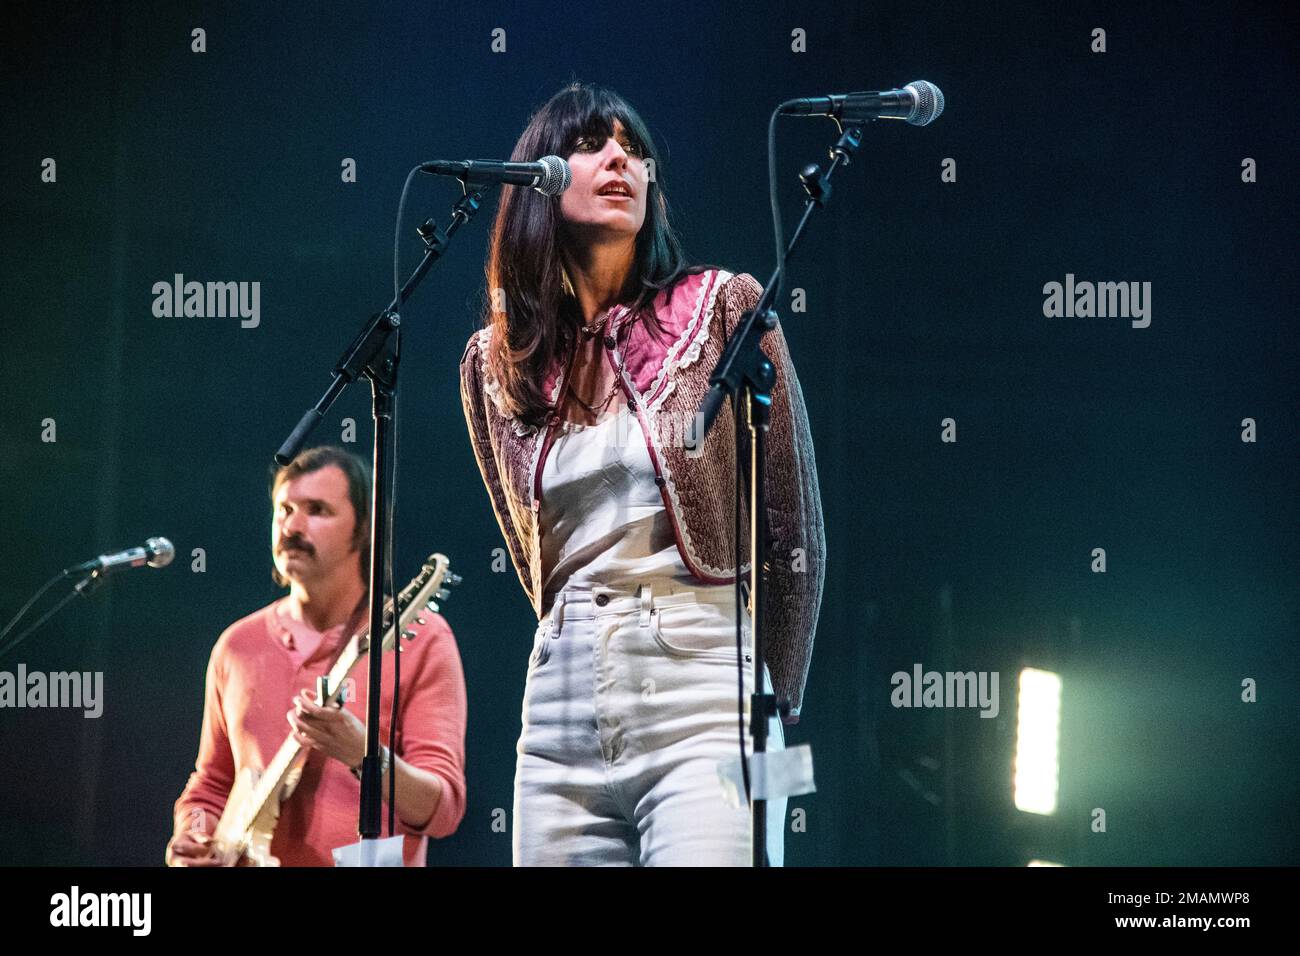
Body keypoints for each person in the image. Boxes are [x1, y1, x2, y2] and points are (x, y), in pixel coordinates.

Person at [459, 82, 825, 866]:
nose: (620, 157)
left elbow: (793, 524)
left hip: (699, 677)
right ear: (539, 180)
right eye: (591, 144)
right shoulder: (493, 363)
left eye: (633, 146)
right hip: (558, 697)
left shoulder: (725, 306)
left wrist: (775, 700)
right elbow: (533, 553)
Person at [166, 446, 467, 866]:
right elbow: (212, 785)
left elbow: (444, 810)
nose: (292, 525)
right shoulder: (237, 644)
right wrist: (193, 833)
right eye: (284, 509)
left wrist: (364, 755)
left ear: (364, 528)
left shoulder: (424, 639)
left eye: (317, 510)